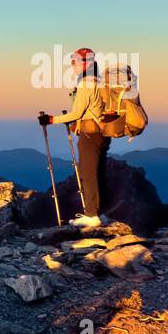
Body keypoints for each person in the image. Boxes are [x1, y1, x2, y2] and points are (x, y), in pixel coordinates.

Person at [39, 47, 110, 228]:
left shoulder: (87, 82)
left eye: (74, 61)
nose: (72, 65)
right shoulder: (98, 80)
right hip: (102, 133)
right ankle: (99, 212)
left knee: (87, 173)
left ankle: (92, 215)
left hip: (90, 135)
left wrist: (52, 119)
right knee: (98, 172)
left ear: (85, 63)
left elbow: (77, 112)